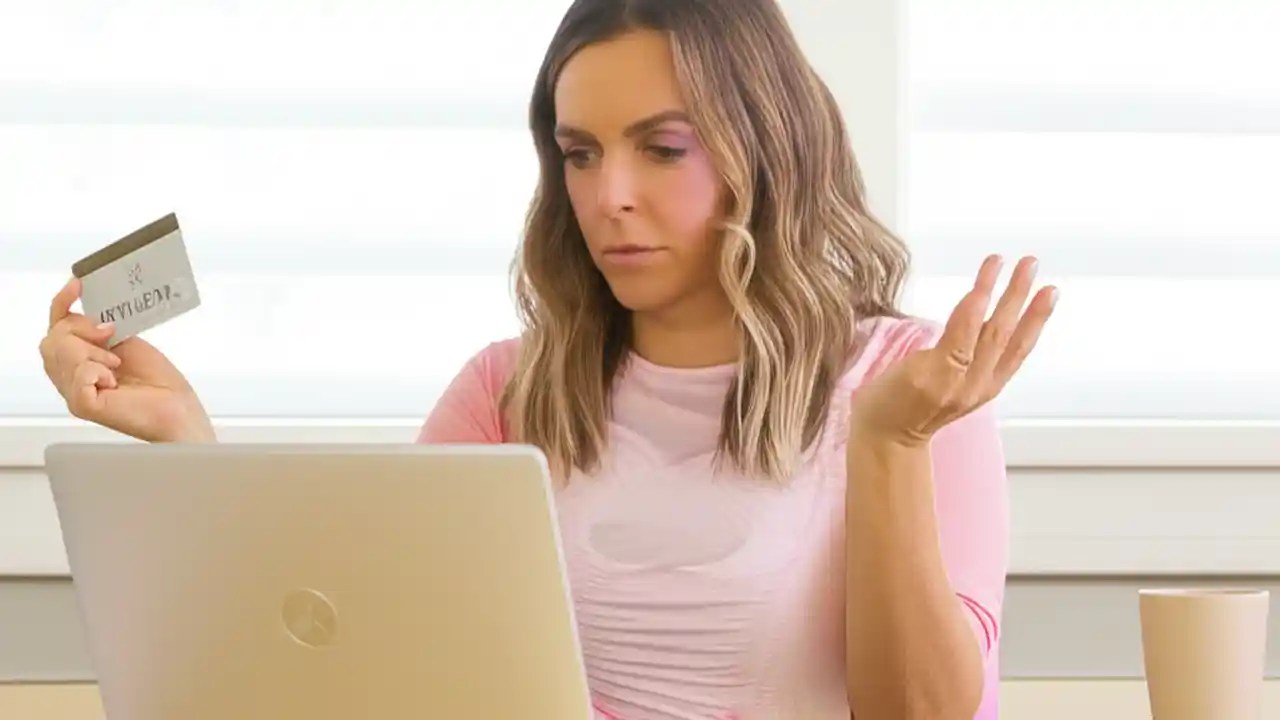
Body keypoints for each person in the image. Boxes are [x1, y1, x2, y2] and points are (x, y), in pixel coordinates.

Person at [38, 0, 1058, 718]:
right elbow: (344, 644)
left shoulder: (908, 385)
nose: (607, 193)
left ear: (767, 147)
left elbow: (921, 715)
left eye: (661, 148)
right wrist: (185, 444)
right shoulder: (506, 389)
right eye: (579, 152)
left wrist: (888, 444)